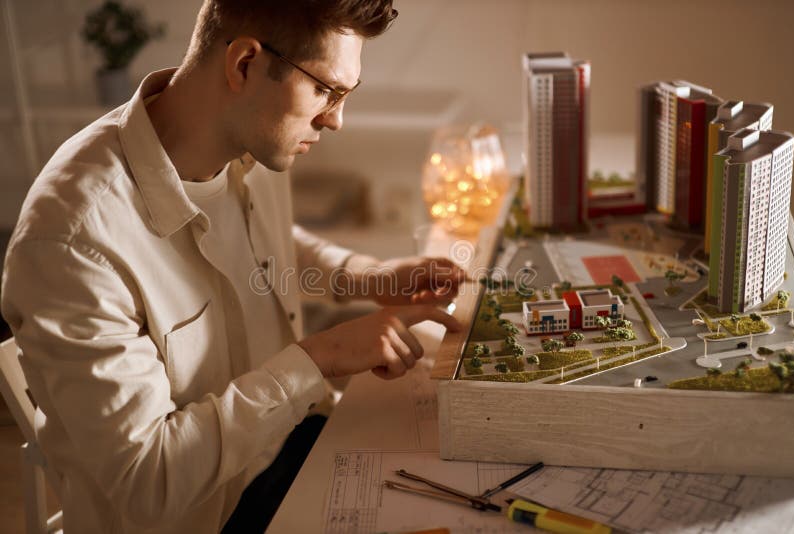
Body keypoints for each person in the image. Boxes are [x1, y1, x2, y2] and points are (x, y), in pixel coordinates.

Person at [0, 1, 465, 532]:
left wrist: (364, 275)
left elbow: (264, 237)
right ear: (244, 64)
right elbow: (146, 484)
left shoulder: (250, 139)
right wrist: (319, 358)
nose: (336, 118)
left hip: (293, 446)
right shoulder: (73, 242)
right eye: (326, 91)